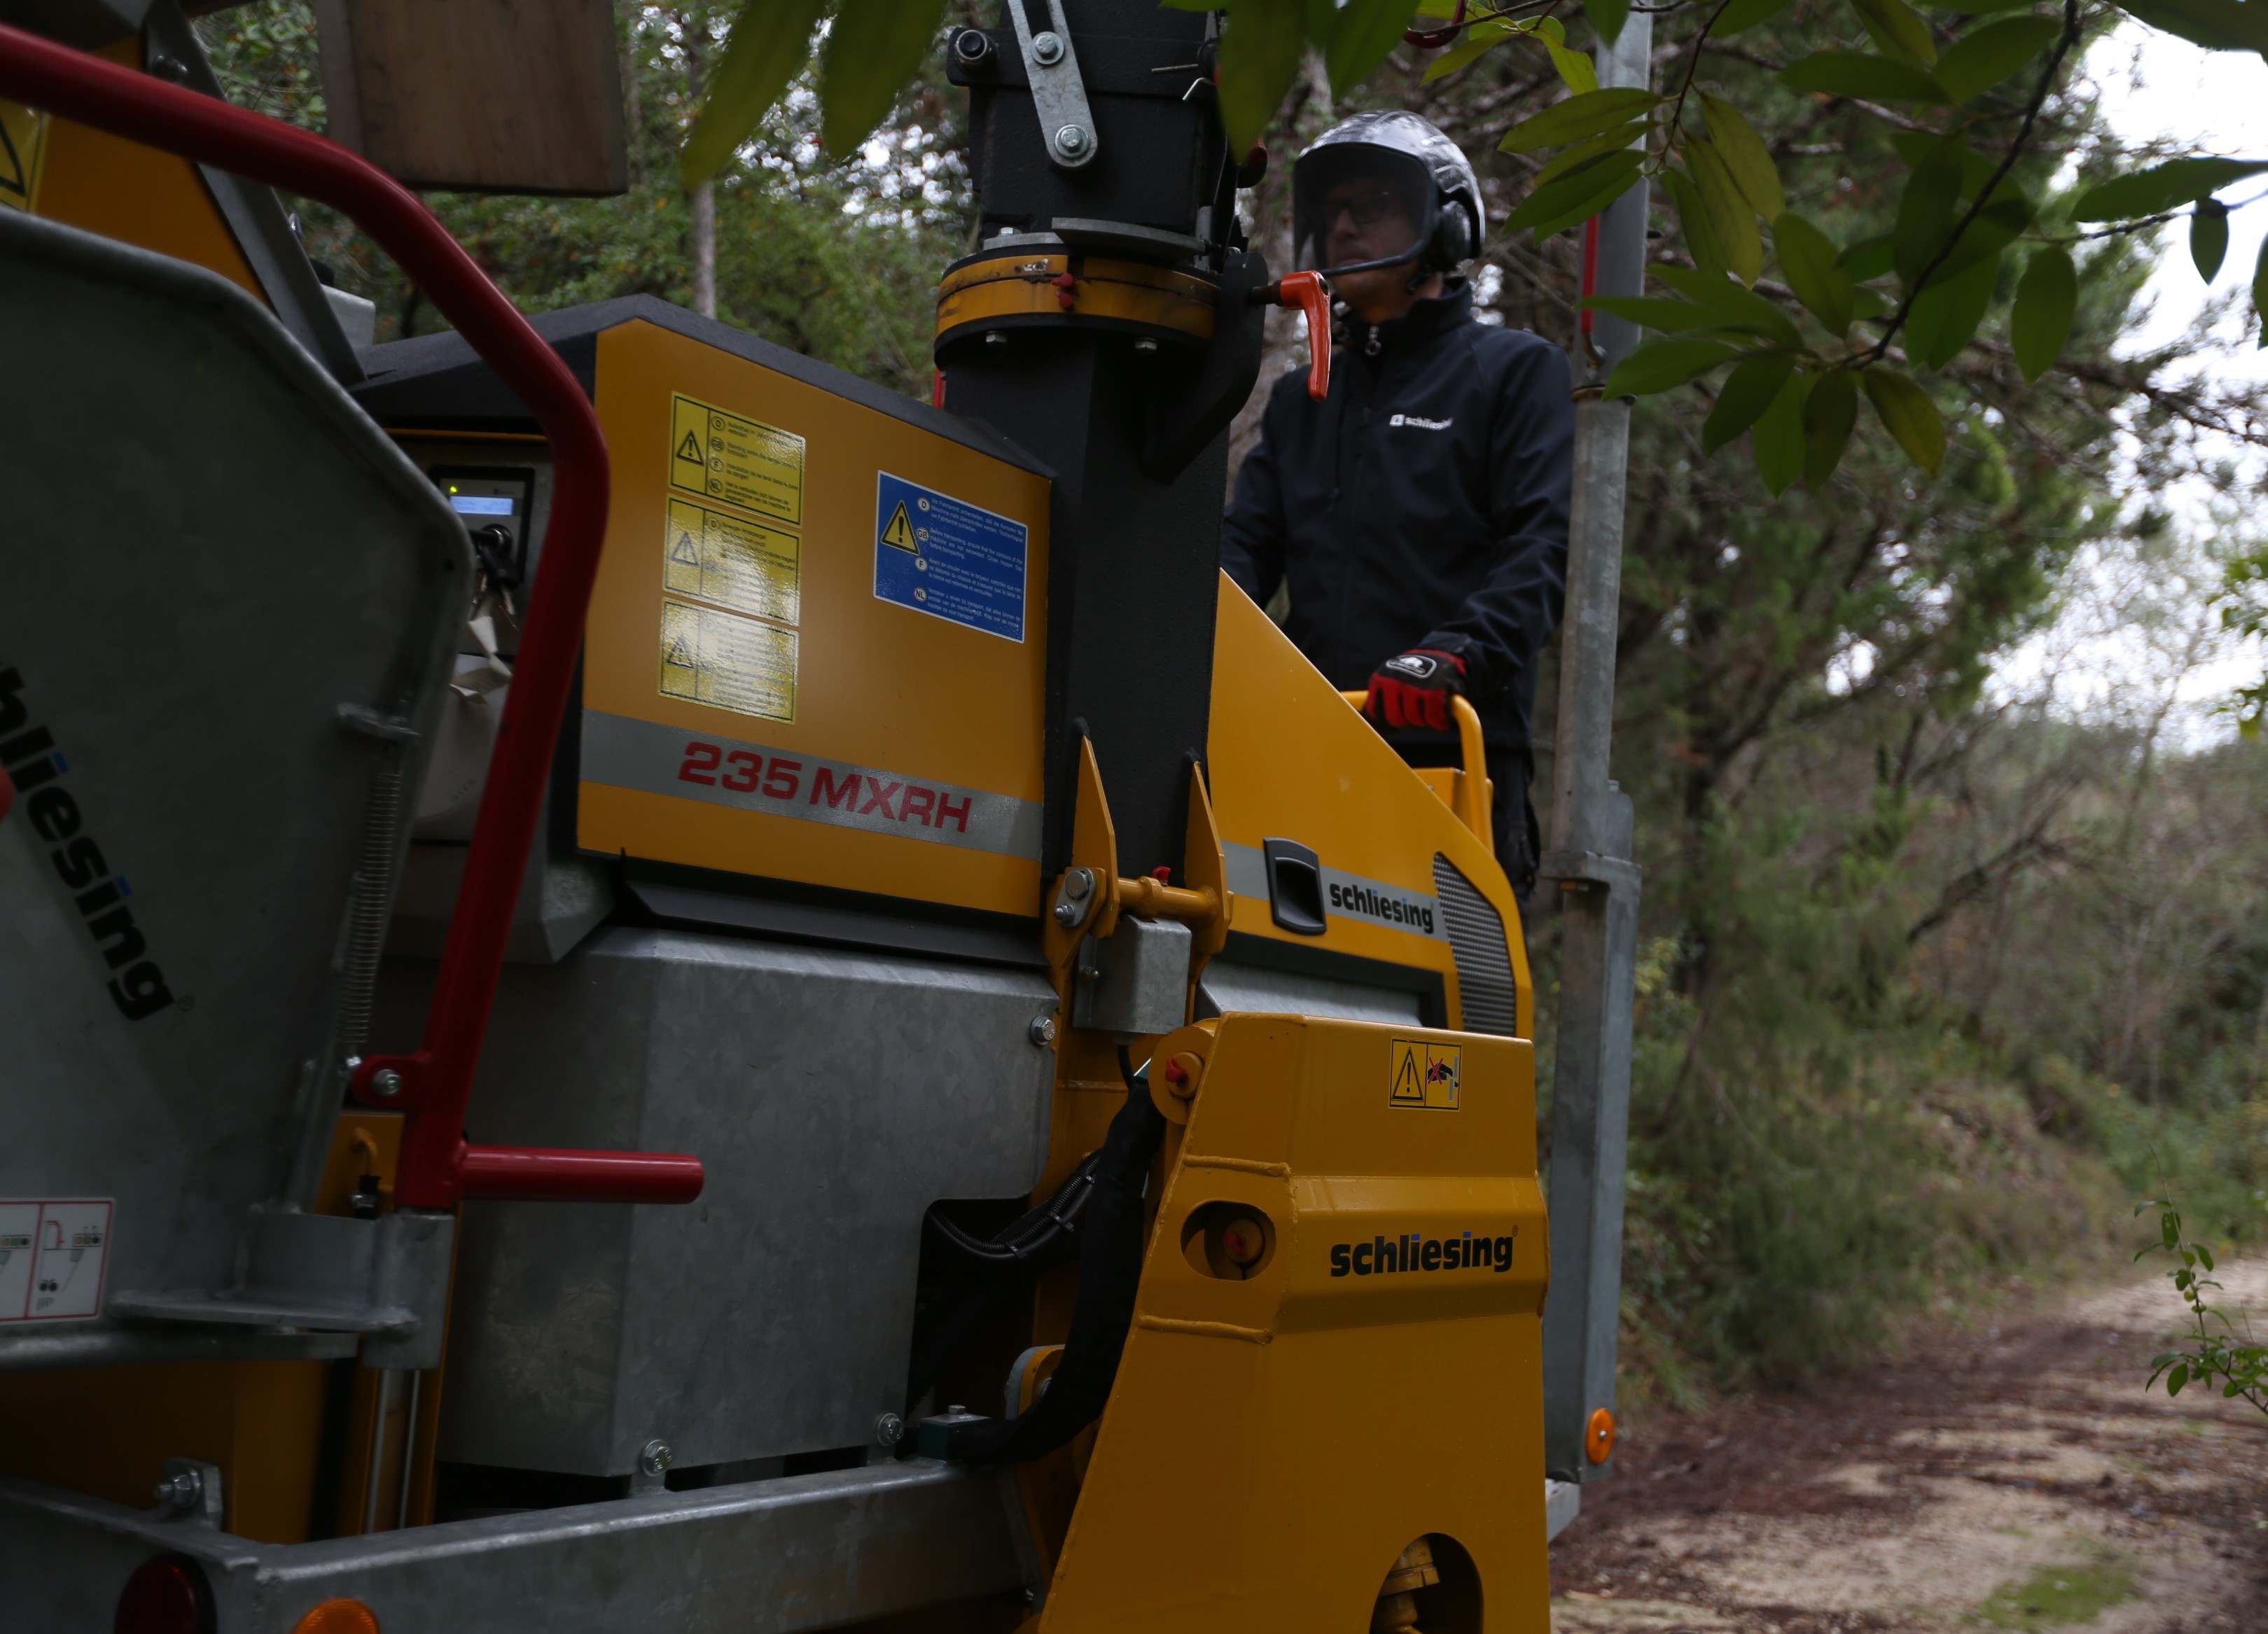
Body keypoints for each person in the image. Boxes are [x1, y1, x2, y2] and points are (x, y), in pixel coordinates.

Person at [1220, 111, 1574, 888]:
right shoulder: (1300, 398)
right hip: (1307, 760)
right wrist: (1200, 633)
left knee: (1446, 1000)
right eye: (1332, 212)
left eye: (1372, 205)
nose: (1343, 226)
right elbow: (1242, 549)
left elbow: (1538, 554)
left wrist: (1452, 656)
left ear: (1443, 226)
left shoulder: (1515, 373)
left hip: (1449, 760)